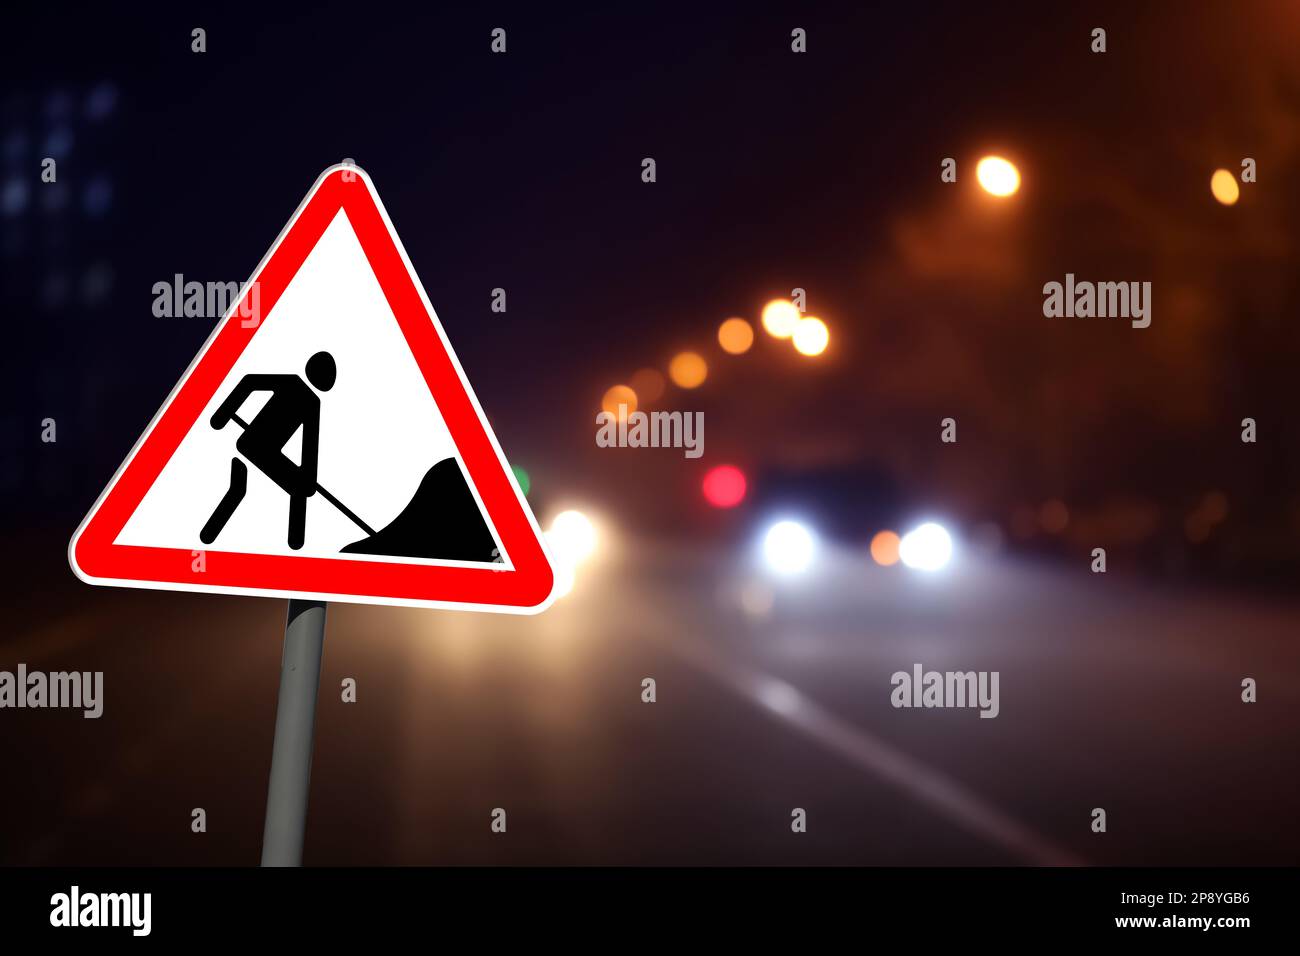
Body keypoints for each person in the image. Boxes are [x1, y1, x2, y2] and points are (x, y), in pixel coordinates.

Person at [200, 351, 336, 550]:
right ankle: (295, 541)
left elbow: (309, 444)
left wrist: (222, 415)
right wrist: (222, 415)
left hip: (260, 449)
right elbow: (250, 382)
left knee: (297, 487)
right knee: (291, 488)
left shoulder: (307, 398)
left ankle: (295, 541)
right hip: (255, 446)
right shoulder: (299, 391)